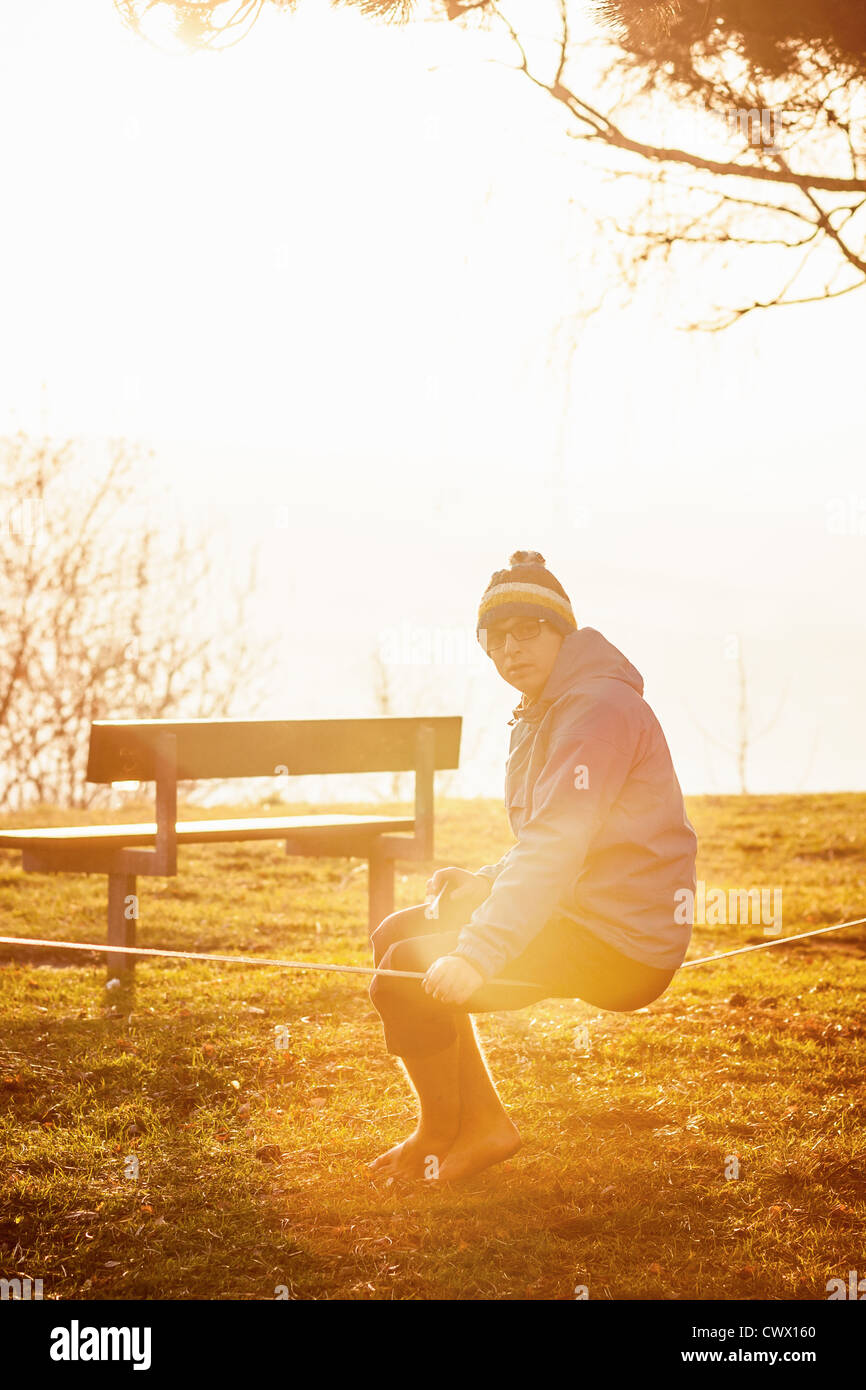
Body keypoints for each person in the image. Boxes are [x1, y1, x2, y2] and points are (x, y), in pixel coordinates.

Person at [368, 549, 697, 1183]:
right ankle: (482, 1124)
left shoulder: (596, 710)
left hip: (623, 941)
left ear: (563, 633)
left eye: (529, 630)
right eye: (496, 638)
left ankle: (440, 1135)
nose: (511, 649)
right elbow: (554, 837)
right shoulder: (549, 706)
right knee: (395, 936)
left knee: (406, 973)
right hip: (581, 906)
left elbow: (554, 846)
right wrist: (485, 882)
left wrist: (477, 953)